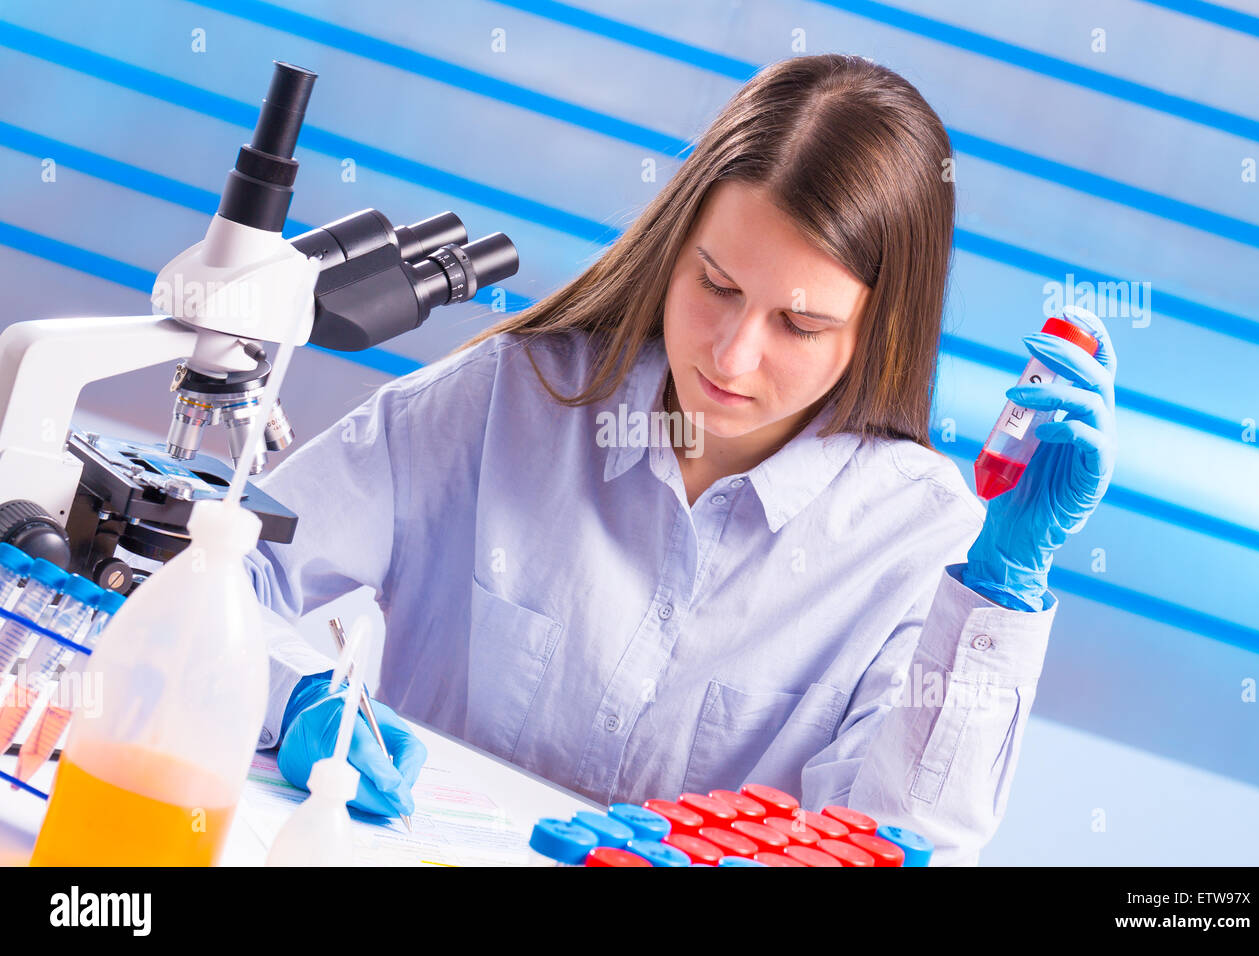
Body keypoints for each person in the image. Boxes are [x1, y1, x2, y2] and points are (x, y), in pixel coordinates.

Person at [246, 53, 1117, 866]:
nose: (732, 355)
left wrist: (998, 591)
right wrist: (291, 699)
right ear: (674, 250)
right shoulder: (509, 401)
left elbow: (899, 843)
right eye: (716, 286)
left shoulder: (916, 543)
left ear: (876, 330)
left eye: (800, 324)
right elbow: (225, 569)